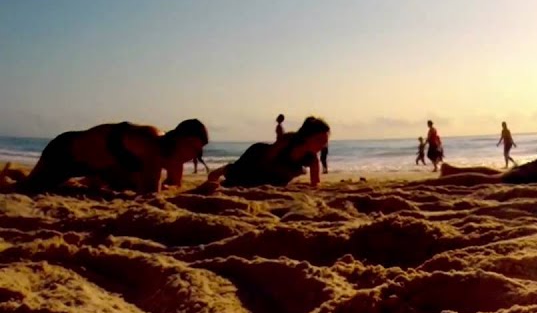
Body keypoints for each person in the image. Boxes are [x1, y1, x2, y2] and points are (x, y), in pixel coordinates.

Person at [4, 119, 209, 194]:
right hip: (66, 153)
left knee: (126, 182)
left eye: (197, 152)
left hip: (99, 166)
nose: (192, 155)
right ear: (179, 138)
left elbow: (174, 186)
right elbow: (150, 195)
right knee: (27, 188)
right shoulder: (151, 141)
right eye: (191, 147)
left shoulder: (173, 156)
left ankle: (95, 178)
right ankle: (11, 173)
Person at [207, 116, 330, 188]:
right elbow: (264, 161)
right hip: (258, 156)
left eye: (325, 141)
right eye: (319, 140)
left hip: (275, 171)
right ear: (306, 136)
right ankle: (225, 168)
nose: (323, 145)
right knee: (239, 177)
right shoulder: (288, 141)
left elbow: (315, 183)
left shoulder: (312, 159)